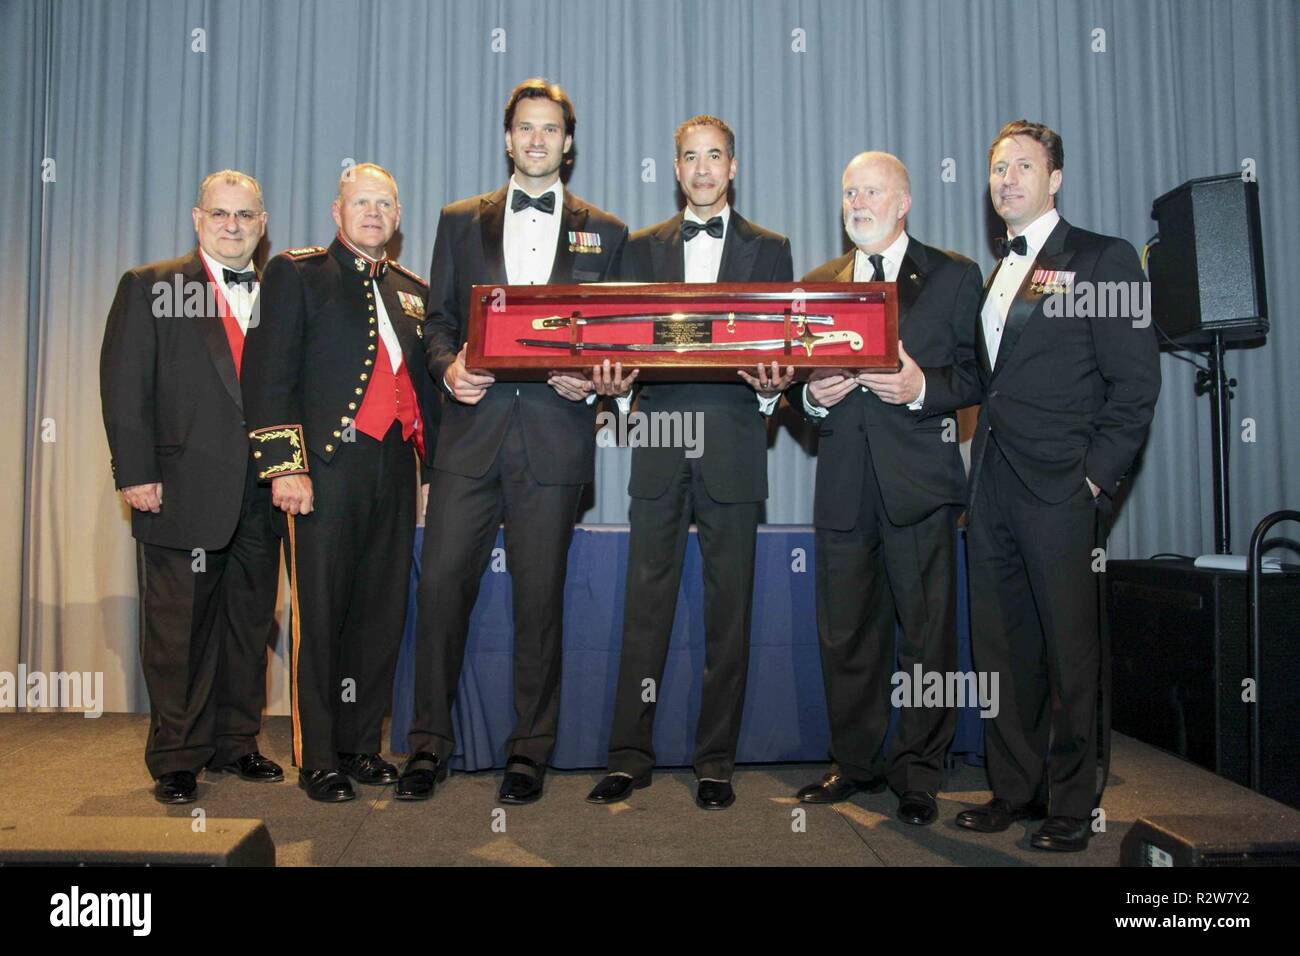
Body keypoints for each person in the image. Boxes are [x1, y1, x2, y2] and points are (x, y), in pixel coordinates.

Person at [931, 120, 1160, 850]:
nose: (1007, 180)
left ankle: (1072, 803)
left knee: (1070, 652)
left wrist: (1094, 481)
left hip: (1063, 487)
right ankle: (1014, 789)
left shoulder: (1104, 259)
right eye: (998, 168)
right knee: (1002, 650)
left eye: (1023, 167)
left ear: (1054, 178)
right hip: (991, 484)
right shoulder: (997, 271)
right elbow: (986, 385)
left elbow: (1135, 387)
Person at [398, 78, 628, 804]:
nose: (537, 140)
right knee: (438, 592)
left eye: (550, 129)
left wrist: (596, 378)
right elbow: (435, 324)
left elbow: (619, 341)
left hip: (555, 442)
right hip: (468, 439)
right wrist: (449, 365)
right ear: (508, 139)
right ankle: (428, 746)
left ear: (569, 142)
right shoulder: (458, 220)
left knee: (540, 600)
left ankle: (529, 752)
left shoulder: (608, 231)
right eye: (525, 128)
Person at [584, 115, 794, 811]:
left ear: (733, 166)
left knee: (728, 610)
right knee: (645, 606)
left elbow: (780, 356)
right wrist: (612, 393)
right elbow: (619, 351)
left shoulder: (772, 248)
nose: (702, 169)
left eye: (714, 157)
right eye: (689, 158)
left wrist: (774, 393)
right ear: (675, 169)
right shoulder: (639, 249)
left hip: (736, 438)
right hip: (660, 436)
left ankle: (715, 762)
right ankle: (628, 757)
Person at [790, 152, 983, 825]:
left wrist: (923, 388)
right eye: (849, 191)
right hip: (843, 486)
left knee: (926, 637)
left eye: (871, 190)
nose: (858, 202)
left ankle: (919, 772)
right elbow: (791, 391)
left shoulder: (955, 276)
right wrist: (812, 397)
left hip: (921, 486)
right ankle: (856, 763)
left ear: (903, 202)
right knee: (846, 635)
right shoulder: (815, 283)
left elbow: (978, 376)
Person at [241, 163, 440, 802]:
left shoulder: (413, 289)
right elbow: (268, 374)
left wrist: (430, 471)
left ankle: (359, 746)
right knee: (320, 615)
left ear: (398, 216)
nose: (374, 212)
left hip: (392, 467)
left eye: (386, 203)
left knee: (381, 613)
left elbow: (428, 393)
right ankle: (317, 755)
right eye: (362, 202)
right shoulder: (298, 274)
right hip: (322, 468)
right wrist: (285, 465)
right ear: (337, 210)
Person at [100, 169, 283, 804]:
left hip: (263, 494)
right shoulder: (153, 287)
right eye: (221, 215)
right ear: (197, 219)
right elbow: (125, 388)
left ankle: (236, 744)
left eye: (246, 216)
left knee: (248, 625)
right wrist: (136, 471)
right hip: (178, 488)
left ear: (262, 226)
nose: (233, 226)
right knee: (177, 633)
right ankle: (177, 757)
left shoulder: (277, 294)